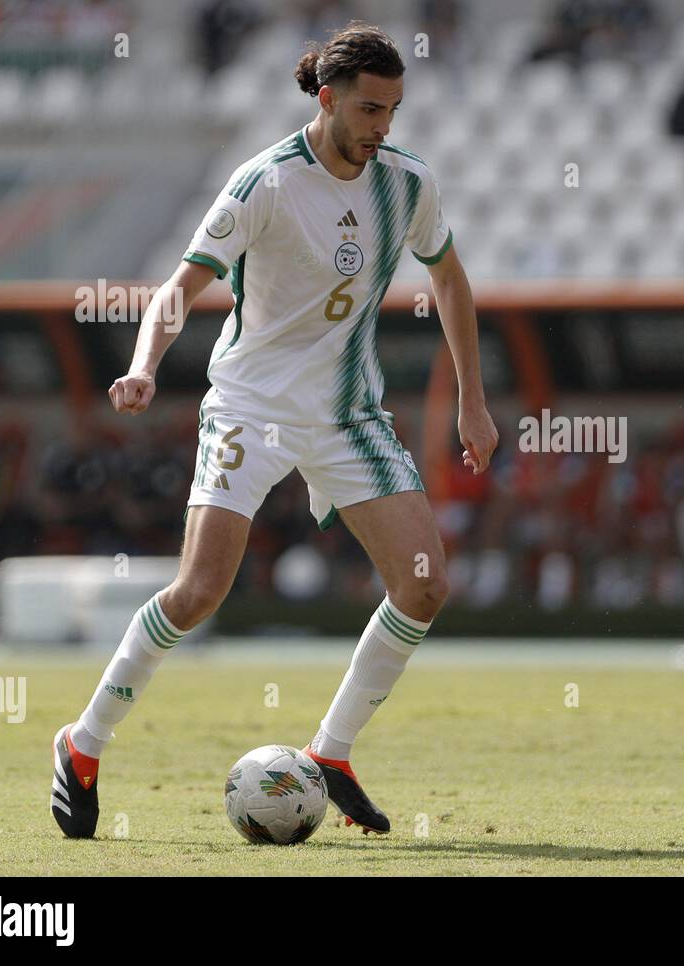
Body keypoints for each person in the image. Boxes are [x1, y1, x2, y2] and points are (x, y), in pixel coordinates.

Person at [51, 21, 498, 839]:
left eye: (393, 110)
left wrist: (473, 400)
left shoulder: (407, 182)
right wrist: (147, 363)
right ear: (327, 99)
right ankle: (83, 744)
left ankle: (330, 752)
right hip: (250, 408)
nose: (382, 127)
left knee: (426, 583)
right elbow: (175, 291)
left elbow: (452, 281)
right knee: (198, 593)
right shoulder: (263, 182)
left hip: (347, 415)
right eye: (369, 109)